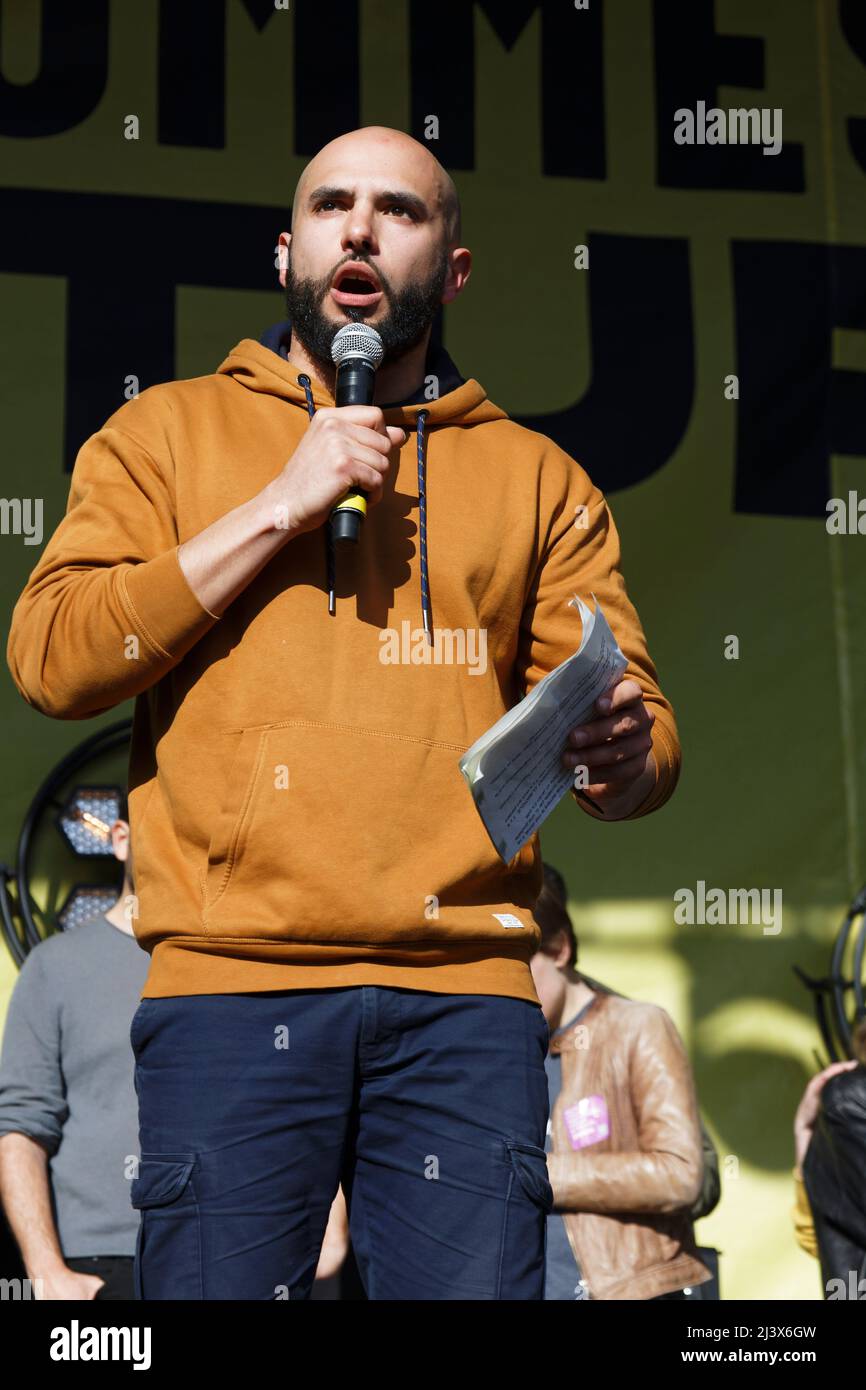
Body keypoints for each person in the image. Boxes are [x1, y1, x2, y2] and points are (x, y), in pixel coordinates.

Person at [6, 126, 681, 1300]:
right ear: (286, 253)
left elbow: (643, 743)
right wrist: (282, 502)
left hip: (462, 1002)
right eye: (330, 205)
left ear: (453, 268)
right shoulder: (163, 434)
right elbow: (54, 658)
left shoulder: (535, 476)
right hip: (231, 989)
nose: (358, 228)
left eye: (398, 210)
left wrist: (620, 753)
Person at [531, 863, 714, 1300]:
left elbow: (683, 1174)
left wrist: (540, 1176)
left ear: (560, 947)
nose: (506, 989)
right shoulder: (496, 1048)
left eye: (520, 968)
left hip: (630, 1289)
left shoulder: (638, 1026)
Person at [0, 801, 147, 1300]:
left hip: (227, 1254)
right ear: (121, 839)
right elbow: (21, 1127)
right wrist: (44, 1270)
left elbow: (300, 1097)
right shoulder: (55, 966)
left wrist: (328, 1231)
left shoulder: (230, 967)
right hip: (96, 1265)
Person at [794, 1021, 866, 1296]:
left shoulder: (848, 1098)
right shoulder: (851, 1099)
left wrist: (804, 1132)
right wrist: (805, 1134)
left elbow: (815, 1238)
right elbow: (818, 1238)